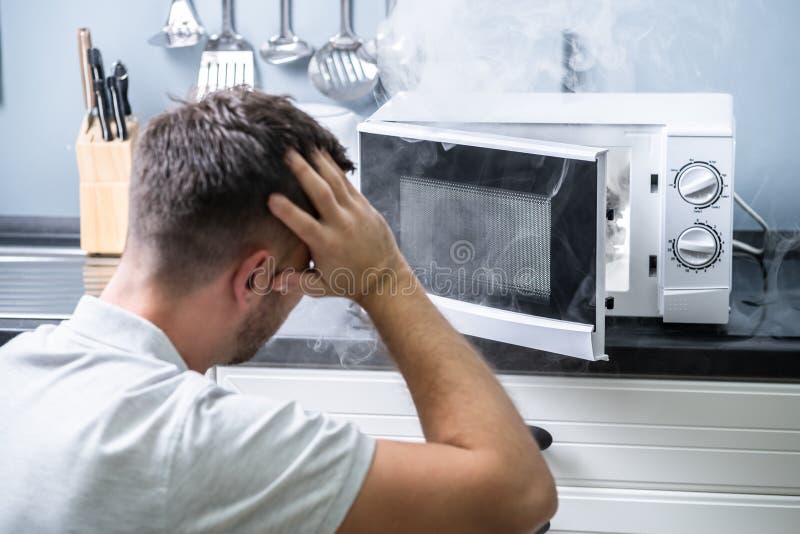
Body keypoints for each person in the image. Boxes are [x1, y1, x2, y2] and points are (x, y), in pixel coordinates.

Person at [0, 89, 556, 533]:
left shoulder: (18, 371)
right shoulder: (195, 442)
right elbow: (518, 495)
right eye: (306, 269)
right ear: (255, 277)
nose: (305, 289)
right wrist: (382, 274)